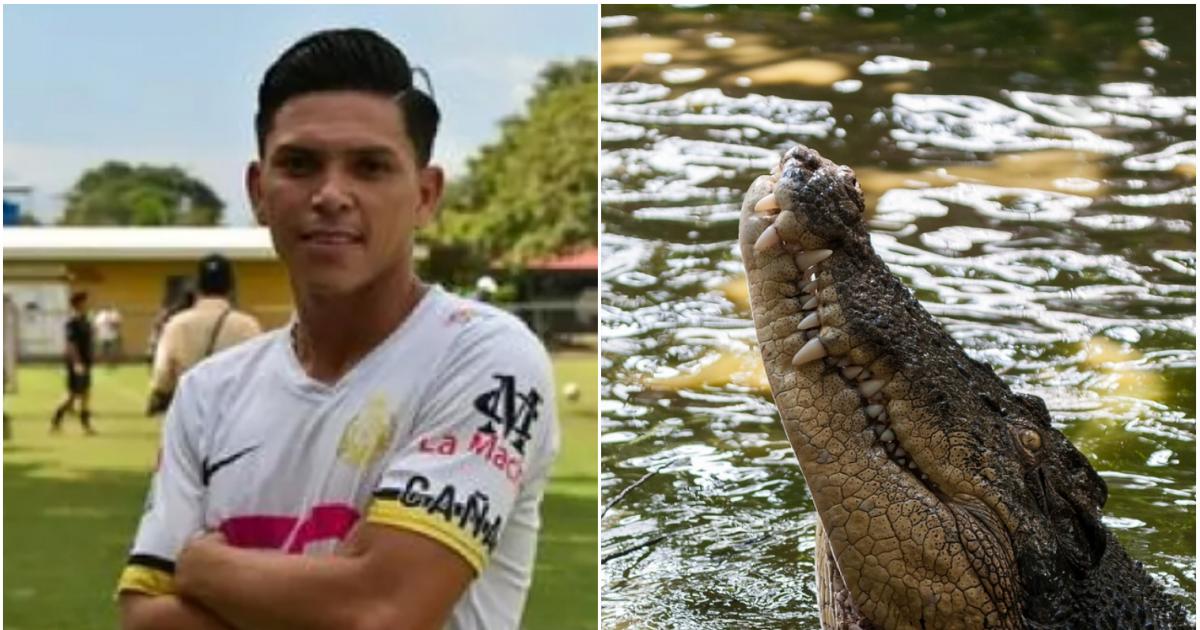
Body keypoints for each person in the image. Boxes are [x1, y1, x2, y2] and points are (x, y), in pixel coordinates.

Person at [117, 28, 559, 630]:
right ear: (258, 191)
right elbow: (146, 618)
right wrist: (335, 595)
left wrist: (203, 570)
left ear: (426, 195)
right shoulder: (207, 395)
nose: (331, 194)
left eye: (370, 167)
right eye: (300, 165)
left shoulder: (485, 358)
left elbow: (383, 609)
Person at [146, 254, 262, 414]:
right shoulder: (248, 326)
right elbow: (260, 376)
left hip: (190, 411)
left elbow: (162, 376)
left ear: (198, 287)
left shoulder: (176, 325)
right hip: (233, 413)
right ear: (231, 288)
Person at [50, 291, 96, 435]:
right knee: (71, 396)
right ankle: (55, 421)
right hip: (76, 363)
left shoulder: (86, 321)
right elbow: (71, 344)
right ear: (78, 304)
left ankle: (86, 426)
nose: (87, 304)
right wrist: (77, 363)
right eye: (84, 302)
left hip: (86, 362)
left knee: (86, 394)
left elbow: (88, 341)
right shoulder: (72, 322)